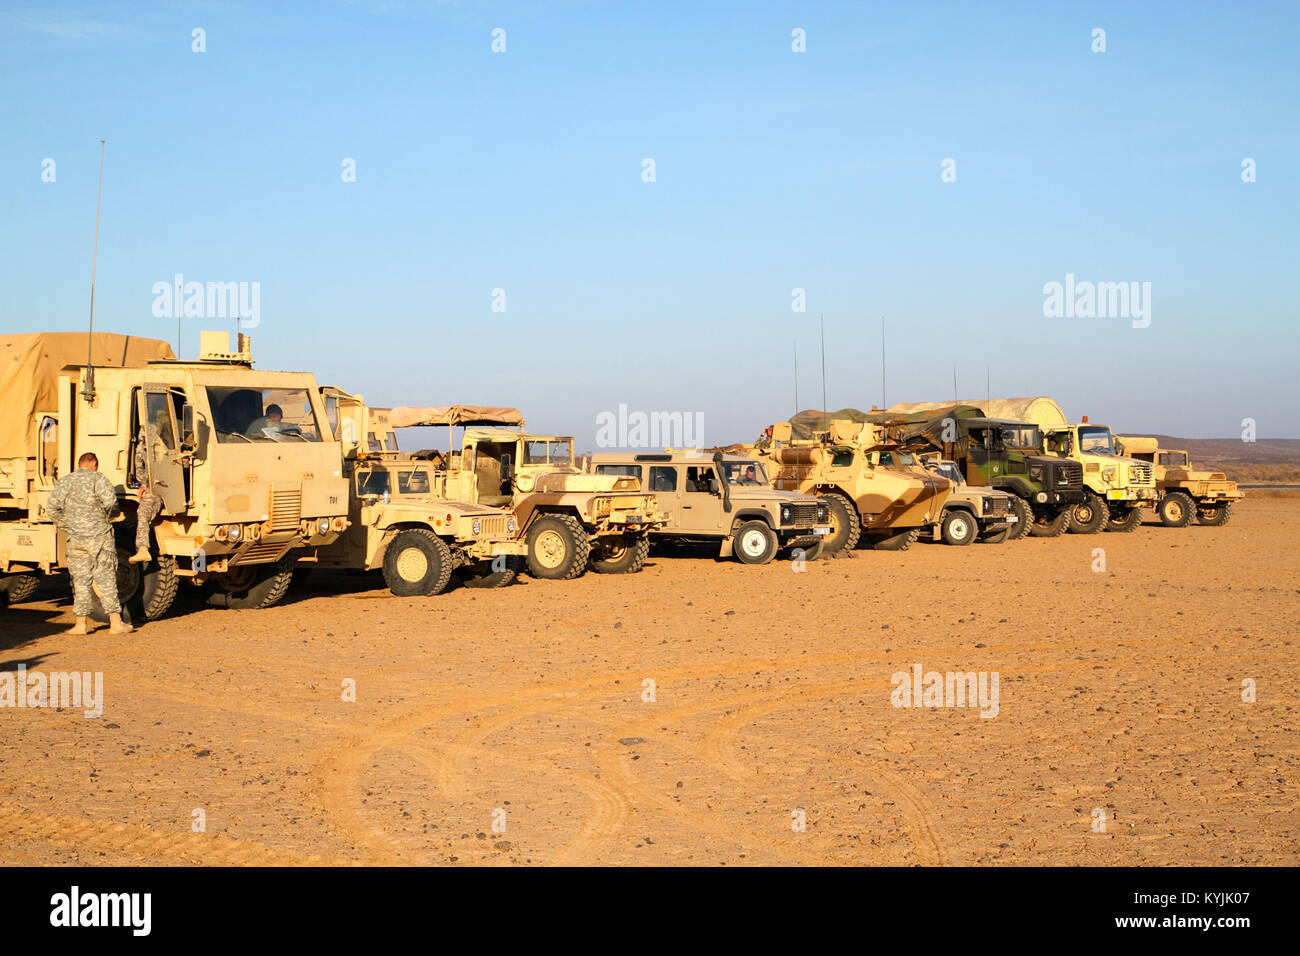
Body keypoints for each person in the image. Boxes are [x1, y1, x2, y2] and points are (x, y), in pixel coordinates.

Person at [46, 452, 133, 635]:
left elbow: (52, 509)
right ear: (93, 464)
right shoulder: (98, 478)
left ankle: (80, 624)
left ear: (80, 464)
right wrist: (109, 517)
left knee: (80, 580)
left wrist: (67, 524)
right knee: (106, 578)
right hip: (99, 537)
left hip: (76, 538)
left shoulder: (65, 481)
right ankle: (116, 623)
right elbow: (111, 503)